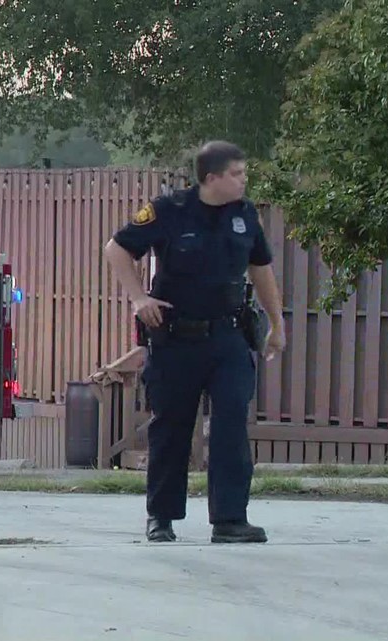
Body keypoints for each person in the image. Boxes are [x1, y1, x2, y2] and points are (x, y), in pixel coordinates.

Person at [103, 141, 286, 543]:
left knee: (231, 422)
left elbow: (261, 269)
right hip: (176, 339)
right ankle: (162, 517)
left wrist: (277, 322)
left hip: (228, 336)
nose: (244, 181)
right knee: (170, 426)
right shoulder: (169, 211)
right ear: (211, 178)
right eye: (237, 174)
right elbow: (116, 249)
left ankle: (230, 519)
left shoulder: (244, 215)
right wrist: (138, 297)